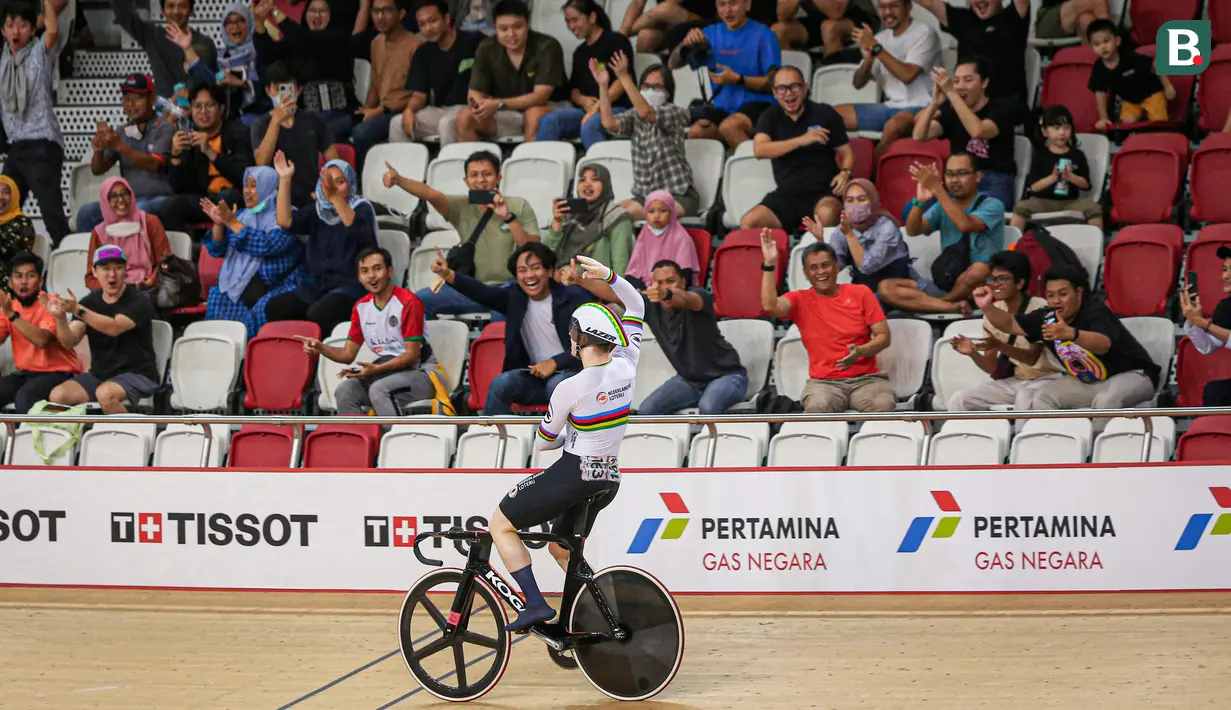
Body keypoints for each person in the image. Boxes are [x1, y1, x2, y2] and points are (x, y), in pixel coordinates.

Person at [488, 254, 643, 632]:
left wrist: (568, 431)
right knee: (561, 546)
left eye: (572, 332)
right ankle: (602, 615)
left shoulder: (569, 388)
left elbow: (544, 442)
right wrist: (608, 276)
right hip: (609, 476)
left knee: (500, 525)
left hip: (575, 473)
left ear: (580, 338)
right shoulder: (627, 362)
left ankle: (535, 604)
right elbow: (636, 304)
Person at [430, 242, 592, 414]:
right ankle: (496, 431)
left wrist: (555, 362)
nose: (529, 275)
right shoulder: (515, 297)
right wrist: (448, 275)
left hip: (576, 376)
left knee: (557, 385)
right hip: (535, 378)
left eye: (536, 268)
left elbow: (589, 344)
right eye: (522, 270)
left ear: (550, 271)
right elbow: (482, 292)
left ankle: (569, 432)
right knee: (502, 383)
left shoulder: (573, 297)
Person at [976, 263, 1159, 412]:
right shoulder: (1047, 317)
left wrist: (1071, 334)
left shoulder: (1095, 311)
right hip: (1088, 380)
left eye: (1063, 294)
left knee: (1106, 401)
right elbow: (1009, 324)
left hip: (1133, 375)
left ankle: (1095, 447)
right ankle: (1055, 444)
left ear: (1078, 293)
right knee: (1042, 398)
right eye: (1051, 295)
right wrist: (987, 308)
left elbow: (1103, 344)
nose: (1056, 301)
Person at [575, 257, 748, 415]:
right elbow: (615, 294)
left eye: (670, 282)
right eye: (658, 283)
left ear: (683, 282)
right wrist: (579, 280)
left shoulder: (699, 295)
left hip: (727, 376)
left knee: (708, 407)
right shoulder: (650, 305)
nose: (664, 287)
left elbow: (688, 299)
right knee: (647, 411)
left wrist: (667, 294)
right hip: (689, 380)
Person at [384, 151, 539, 318]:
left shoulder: (519, 205)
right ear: (466, 181)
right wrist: (399, 180)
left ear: (498, 178)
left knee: (501, 313)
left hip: (508, 287)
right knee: (419, 301)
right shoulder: (460, 205)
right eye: (474, 175)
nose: (480, 180)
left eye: (487, 174)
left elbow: (533, 250)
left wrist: (508, 217)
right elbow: (430, 194)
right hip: (469, 288)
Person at [294, 247, 437, 418]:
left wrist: (376, 369)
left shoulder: (408, 302)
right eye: (364, 271)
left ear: (390, 271)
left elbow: (412, 355)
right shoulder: (361, 307)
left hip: (420, 373)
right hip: (385, 373)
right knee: (345, 390)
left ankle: (391, 435)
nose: (371, 276)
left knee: (379, 389)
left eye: (377, 269)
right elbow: (347, 354)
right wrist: (320, 347)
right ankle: (357, 435)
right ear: (359, 277)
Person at [760, 234, 894, 412]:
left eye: (825, 265)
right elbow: (769, 306)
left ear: (837, 267)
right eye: (813, 268)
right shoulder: (799, 299)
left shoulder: (861, 293)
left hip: (867, 380)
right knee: (816, 408)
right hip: (824, 383)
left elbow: (884, 336)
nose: (821, 272)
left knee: (883, 405)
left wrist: (861, 351)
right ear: (806, 274)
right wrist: (769, 264)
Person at [880, 152, 1004, 315]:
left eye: (962, 173)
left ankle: (937, 304)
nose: (954, 180)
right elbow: (912, 230)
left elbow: (965, 224)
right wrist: (920, 202)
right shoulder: (942, 206)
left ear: (977, 176)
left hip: (980, 288)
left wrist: (938, 189)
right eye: (950, 174)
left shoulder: (993, 204)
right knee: (886, 287)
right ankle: (951, 307)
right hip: (946, 282)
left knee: (980, 270)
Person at [266, 155, 378, 334]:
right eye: (328, 183)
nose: (333, 187)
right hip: (320, 285)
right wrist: (285, 180)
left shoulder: (362, 208)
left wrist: (334, 197)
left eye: (340, 182)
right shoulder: (318, 210)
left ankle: (323, 351)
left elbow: (351, 223)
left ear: (350, 184)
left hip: (353, 285)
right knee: (276, 307)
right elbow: (285, 221)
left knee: (319, 312)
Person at [44, 246, 161, 414]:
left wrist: (77, 309)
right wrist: (60, 318)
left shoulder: (138, 301)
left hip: (139, 374)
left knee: (105, 394)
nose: (112, 274)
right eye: (105, 268)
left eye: (118, 268)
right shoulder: (89, 302)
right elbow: (69, 341)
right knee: (58, 396)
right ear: (95, 272)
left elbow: (114, 327)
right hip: (100, 375)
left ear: (126, 270)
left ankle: (131, 431)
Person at [946, 250, 1062, 416]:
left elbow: (1032, 359)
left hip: (1047, 379)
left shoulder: (1040, 307)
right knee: (961, 399)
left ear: (1019, 283)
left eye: (1002, 278)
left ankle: (1020, 434)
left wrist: (1000, 345)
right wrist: (972, 353)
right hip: (1015, 381)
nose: (995, 284)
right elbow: (992, 367)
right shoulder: (992, 311)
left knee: (1025, 398)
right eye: (992, 279)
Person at [200, 164, 307, 338]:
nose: (246, 191)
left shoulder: (286, 216)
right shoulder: (242, 215)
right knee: (218, 298)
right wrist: (219, 224)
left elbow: (268, 245)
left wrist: (233, 223)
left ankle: (249, 352)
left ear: (267, 186)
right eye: (245, 185)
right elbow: (217, 249)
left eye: (253, 186)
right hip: (241, 284)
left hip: (275, 285)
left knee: (259, 311)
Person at [745, 65, 853, 230]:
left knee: (828, 214)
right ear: (774, 92)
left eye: (794, 86)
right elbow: (760, 150)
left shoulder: (825, 113)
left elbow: (846, 152)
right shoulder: (769, 116)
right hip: (786, 194)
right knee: (749, 222)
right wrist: (802, 140)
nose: (788, 93)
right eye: (782, 88)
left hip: (823, 192)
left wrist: (845, 173)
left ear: (805, 88)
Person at [833, 0, 939, 160]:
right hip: (889, 107)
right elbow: (858, 83)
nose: (888, 12)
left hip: (922, 107)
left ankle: (873, 172)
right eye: (882, 7)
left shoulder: (925, 33)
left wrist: (877, 48)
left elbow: (907, 75)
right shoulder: (880, 38)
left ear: (908, 7)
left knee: (893, 127)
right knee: (830, 116)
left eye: (894, 6)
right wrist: (868, 60)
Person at [598, 53, 699, 221]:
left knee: (620, 217)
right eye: (645, 86)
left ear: (668, 92)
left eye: (657, 87)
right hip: (645, 196)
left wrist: (624, 77)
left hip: (678, 195)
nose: (650, 91)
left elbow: (647, 112)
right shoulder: (634, 115)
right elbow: (609, 124)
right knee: (604, 214)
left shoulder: (675, 112)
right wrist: (603, 86)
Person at [2, 1, 70, 245]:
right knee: (4, 213)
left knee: (52, 216)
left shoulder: (40, 52)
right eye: (11, 25)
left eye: (23, 26)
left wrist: (46, 4)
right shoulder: (3, 59)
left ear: (32, 30)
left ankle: (71, 259)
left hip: (42, 145)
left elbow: (51, 30)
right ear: (3, 31)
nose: (16, 31)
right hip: (15, 147)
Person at [670, 0, 781, 149]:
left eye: (733, 3)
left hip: (761, 105)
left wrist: (739, 80)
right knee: (697, 132)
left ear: (747, 5)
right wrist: (685, 43)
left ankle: (759, 161)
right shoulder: (709, 34)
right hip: (723, 108)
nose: (728, 10)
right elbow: (673, 64)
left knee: (730, 127)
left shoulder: (765, 34)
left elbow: (774, 83)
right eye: (722, 4)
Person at [912, 59, 1019, 209]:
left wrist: (952, 93)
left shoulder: (1003, 108)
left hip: (992, 181)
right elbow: (919, 135)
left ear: (984, 82)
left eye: (968, 80)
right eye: (956, 81)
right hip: (957, 182)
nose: (960, 86)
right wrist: (935, 102)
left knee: (970, 212)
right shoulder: (952, 110)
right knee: (913, 208)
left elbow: (978, 131)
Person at [254, 0, 368, 141]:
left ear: (331, 15)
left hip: (341, 114)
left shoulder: (339, 37)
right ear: (305, 15)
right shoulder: (295, 44)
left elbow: (308, 41)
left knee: (314, 135)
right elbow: (267, 55)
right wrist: (259, 23)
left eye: (323, 11)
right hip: (306, 116)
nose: (317, 14)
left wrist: (275, 11)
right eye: (312, 10)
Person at [77, 73, 176, 233]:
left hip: (161, 197)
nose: (130, 104)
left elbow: (154, 164)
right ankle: (96, 250)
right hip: (130, 200)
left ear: (152, 98)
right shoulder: (122, 131)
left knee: (140, 208)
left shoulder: (164, 127)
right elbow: (98, 170)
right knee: (86, 212)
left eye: (137, 98)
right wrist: (98, 151)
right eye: (126, 99)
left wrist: (118, 145)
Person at [456, 0, 565, 142]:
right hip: (507, 112)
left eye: (517, 27)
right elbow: (474, 92)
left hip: (548, 108)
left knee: (533, 115)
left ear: (528, 24)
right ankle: (478, 157)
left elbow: (541, 97)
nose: (511, 34)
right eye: (503, 29)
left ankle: (528, 156)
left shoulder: (546, 46)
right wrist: (480, 106)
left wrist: (499, 104)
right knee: (465, 117)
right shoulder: (486, 47)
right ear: (495, 28)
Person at [535, 0, 633, 149]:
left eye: (575, 20)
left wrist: (597, 107)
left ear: (592, 17)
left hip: (618, 110)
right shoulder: (579, 53)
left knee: (590, 125)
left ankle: (600, 164)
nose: (571, 26)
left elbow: (623, 82)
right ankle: (544, 162)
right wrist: (582, 100)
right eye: (568, 21)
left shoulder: (617, 41)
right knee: (549, 121)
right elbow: (573, 90)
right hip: (586, 112)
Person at [389, 0, 483, 145]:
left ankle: (449, 160)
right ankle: (407, 161)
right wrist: (409, 110)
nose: (428, 28)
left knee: (446, 124)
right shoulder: (423, 52)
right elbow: (419, 95)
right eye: (422, 24)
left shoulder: (473, 41)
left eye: (433, 21)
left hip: (471, 110)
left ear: (446, 19)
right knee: (397, 123)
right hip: (442, 110)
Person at [0, 252, 82, 413]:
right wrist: (8, 312)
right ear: (10, 282)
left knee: (26, 397)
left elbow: (42, 339)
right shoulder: (9, 307)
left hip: (59, 372)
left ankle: (27, 431)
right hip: (25, 374)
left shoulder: (51, 302)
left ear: (41, 281)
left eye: (30, 276)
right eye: (18, 276)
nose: (24, 281)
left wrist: (11, 315)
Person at [250, 61, 341, 207]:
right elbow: (261, 162)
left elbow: (334, 162)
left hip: (312, 197)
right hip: (277, 201)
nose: (283, 95)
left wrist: (324, 190)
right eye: (277, 89)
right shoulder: (260, 124)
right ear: (268, 91)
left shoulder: (314, 119)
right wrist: (276, 122)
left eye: (288, 88)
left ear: (299, 90)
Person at [164, 84, 254, 230]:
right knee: (170, 205)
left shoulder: (239, 132)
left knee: (227, 198)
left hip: (234, 196)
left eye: (209, 105)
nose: (203, 111)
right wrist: (175, 156)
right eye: (197, 106)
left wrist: (210, 151)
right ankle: (182, 244)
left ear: (222, 108)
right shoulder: (189, 137)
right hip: (204, 199)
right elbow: (179, 188)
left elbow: (244, 176)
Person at [914, 0, 1029, 110]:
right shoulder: (964, 19)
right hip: (965, 104)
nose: (980, 0)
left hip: (1004, 106)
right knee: (922, 119)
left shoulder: (1013, 17)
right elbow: (931, 3)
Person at [351, 0, 420, 173]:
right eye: (376, 11)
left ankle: (367, 180)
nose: (380, 17)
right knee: (333, 128)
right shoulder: (376, 42)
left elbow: (417, 92)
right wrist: (367, 109)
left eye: (387, 11)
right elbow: (375, 84)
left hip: (400, 111)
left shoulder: (415, 46)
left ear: (401, 14)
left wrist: (379, 111)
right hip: (379, 110)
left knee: (361, 133)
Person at [1011, 105, 1102, 232]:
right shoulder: (1039, 155)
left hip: (1070, 202)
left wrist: (1071, 177)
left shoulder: (1077, 155)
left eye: (1066, 128)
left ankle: (1095, 240)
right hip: (1042, 201)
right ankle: (1013, 241)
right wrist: (1052, 178)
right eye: (1056, 128)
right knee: (1021, 207)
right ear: (1044, 132)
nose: (1062, 133)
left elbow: (1086, 185)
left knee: (1094, 208)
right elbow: (1033, 187)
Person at [177, 3, 266, 125]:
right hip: (226, 124)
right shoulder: (221, 58)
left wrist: (242, 83)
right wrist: (188, 50)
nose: (235, 26)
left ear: (250, 22)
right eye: (228, 22)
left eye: (240, 20)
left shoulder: (262, 51)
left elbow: (271, 88)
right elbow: (208, 82)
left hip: (258, 122)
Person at [819, 178, 911, 297]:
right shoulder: (842, 228)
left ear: (873, 201)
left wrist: (850, 235)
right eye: (849, 200)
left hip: (896, 292)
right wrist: (820, 241)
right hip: (862, 291)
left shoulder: (887, 228)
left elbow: (867, 266)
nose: (855, 205)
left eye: (861, 199)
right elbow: (835, 267)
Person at [110, 0, 218, 99]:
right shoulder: (152, 36)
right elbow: (123, 15)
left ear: (191, 11)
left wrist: (188, 49)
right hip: (165, 111)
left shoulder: (205, 43)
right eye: (170, 6)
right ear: (163, 11)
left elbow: (211, 85)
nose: (176, 11)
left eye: (182, 6)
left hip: (198, 111)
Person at [84, 177, 172, 294]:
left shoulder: (150, 222)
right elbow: (91, 277)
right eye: (113, 196)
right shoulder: (99, 233)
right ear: (105, 200)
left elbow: (166, 262)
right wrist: (112, 286)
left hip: (146, 288)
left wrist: (151, 281)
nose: (121, 200)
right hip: (112, 290)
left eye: (124, 193)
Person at [544, 164, 634, 276]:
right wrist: (557, 222)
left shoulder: (617, 217)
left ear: (605, 184)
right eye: (582, 180)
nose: (587, 184)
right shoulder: (570, 214)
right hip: (560, 277)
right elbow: (546, 255)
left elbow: (621, 265)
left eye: (595, 179)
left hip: (597, 282)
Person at [1087, 19, 1175, 130]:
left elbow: (1155, 64)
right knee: (1127, 123)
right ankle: (1143, 116)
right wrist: (1103, 117)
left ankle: (1149, 116)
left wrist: (1167, 86)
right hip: (1131, 100)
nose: (1102, 47)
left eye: (1106, 41)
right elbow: (1100, 93)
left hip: (1152, 94)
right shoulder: (1098, 68)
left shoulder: (1130, 57)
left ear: (1117, 41)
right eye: (1097, 44)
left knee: (1159, 123)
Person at [1179, 247, 1231, 407]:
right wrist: (1195, 320)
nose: (1226, 276)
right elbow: (1208, 346)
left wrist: (1203, 323)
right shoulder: (1226, 307)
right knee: (1215, 393)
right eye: (1225, 269)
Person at [623, 190, 700, 290]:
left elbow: (685, 274)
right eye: (651, 211)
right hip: (647, 290)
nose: (656, 216)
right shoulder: (644, 236)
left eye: (663, 211)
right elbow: (633, 272)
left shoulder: (681, 238)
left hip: (672, 290)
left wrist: (663, 290)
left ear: (671, 212)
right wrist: (642, 291)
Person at [772, 0, 880, 57]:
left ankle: (833, 83)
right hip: (820, 17)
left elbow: (836, 12)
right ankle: (790, 81)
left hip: (859, 16)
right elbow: (781, 15)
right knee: (778, 31)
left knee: (830, 28)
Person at [0, 176, 36, 275]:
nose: (1, 197)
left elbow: (19, 257)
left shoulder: (22, 222)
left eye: (6, 192)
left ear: (14, 196)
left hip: (11, 276)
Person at [1035, 0, 1109, 44]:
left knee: (1087, 21)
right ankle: (1111, 45)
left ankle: (1091, 63)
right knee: (1097, 2)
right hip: (1050, 19)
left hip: (1081, 20)